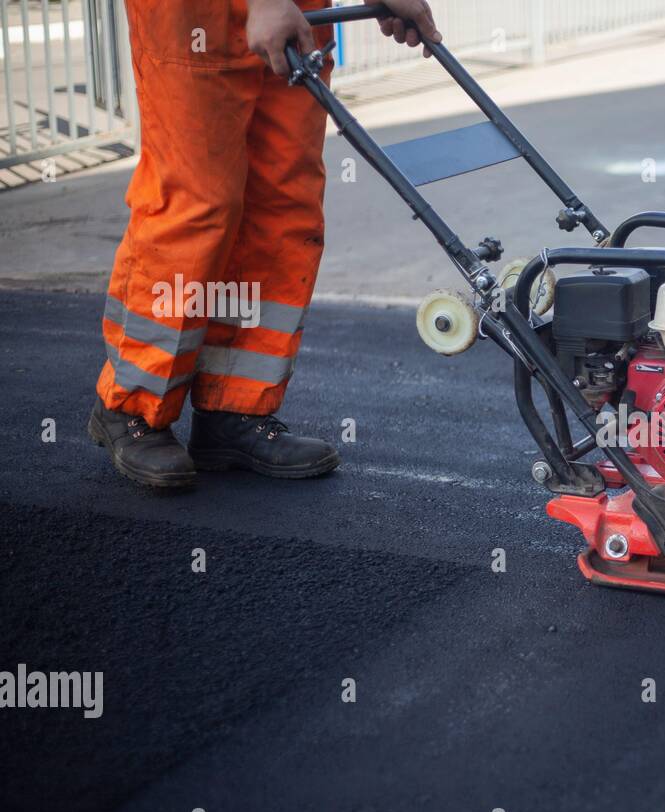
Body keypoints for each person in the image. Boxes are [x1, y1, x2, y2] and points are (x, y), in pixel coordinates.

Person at [88, 0, 441, 488]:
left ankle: (234, 407)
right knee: (198, 202)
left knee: (281, 204)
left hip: (296, 12)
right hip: (194, 15)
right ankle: (132, 407)